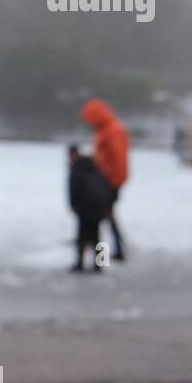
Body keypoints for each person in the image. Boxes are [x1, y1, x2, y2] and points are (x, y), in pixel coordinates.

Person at [81, 98, 129, 262]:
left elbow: (118, 159)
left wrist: (112, 182)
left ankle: (102, 258)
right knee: (107, 218)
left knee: (100, 219)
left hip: (108, 183)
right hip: (104, 181)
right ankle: (116, 250)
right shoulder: (107, 130)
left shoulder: (113, 131)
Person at [67, 144, 112, 272]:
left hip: (85, 207)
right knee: (97, 235)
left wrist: (74, 207)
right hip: (99, 205)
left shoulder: (76, 169)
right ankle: (101, 264)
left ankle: (80, 263)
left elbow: (73, 190)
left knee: (82, 235)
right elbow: (105, 184)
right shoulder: (94, 166)